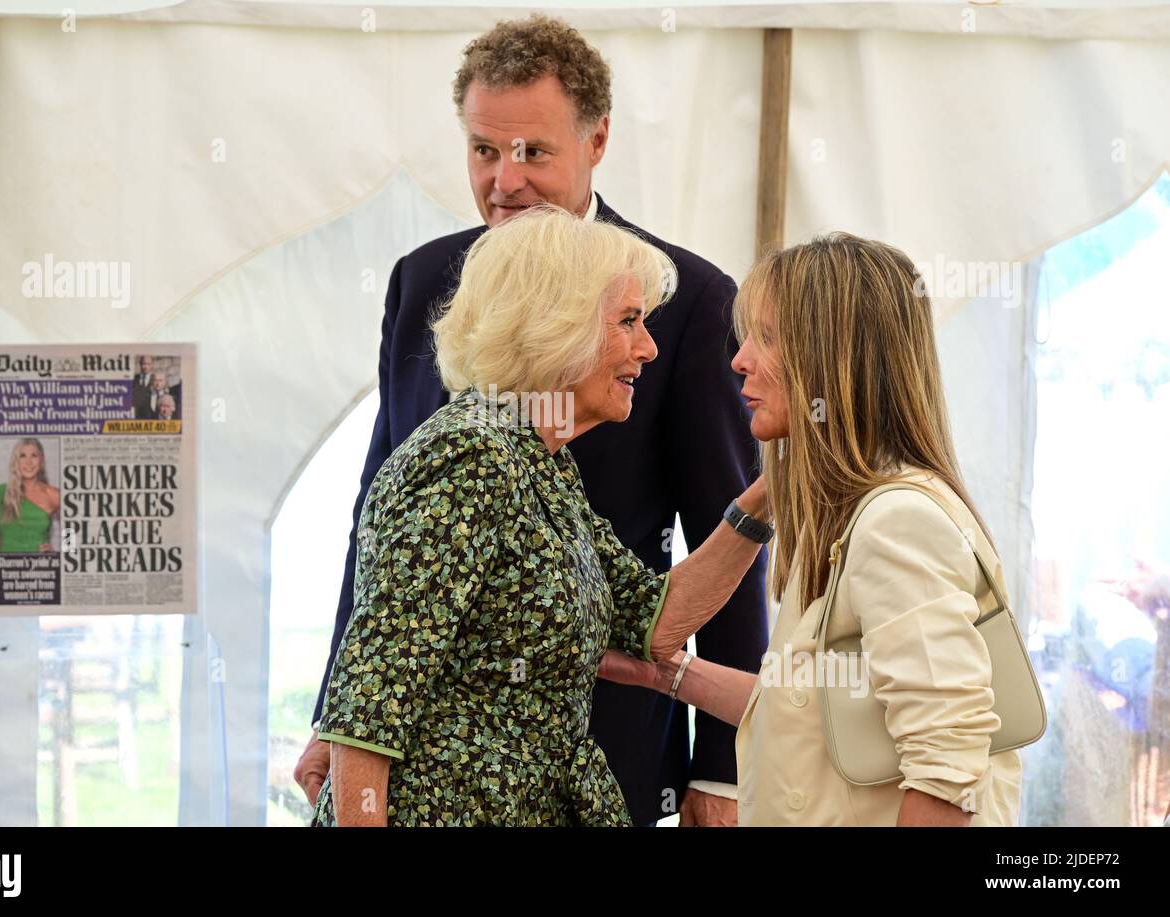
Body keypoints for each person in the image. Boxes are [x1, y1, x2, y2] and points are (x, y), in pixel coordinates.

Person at [296, 13, 766, 827]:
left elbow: (660, 608)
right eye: (484, 151)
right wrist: (334, 730)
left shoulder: (554, 440)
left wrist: (718, 770)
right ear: (557, 329)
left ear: (596, 141)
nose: (504, 181)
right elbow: (376, 558)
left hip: (593, 772)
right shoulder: (452, 396)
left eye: (533, 153)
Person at [601, 232, 1024, 826]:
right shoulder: (850, 516)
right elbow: (810, 712)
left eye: (767, 337)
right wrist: (668, 672)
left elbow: (948, 771)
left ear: (837, 358)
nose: (739, 358)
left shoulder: (896, 523)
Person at [0, 438, 59, 553]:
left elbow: (72, 526)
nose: (28, 462)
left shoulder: (53, 495)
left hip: (41, 567)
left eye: (34, 456)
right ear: (16, 461)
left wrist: (63, 552)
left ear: (42, 460)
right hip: (6, 566)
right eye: (23, 456)